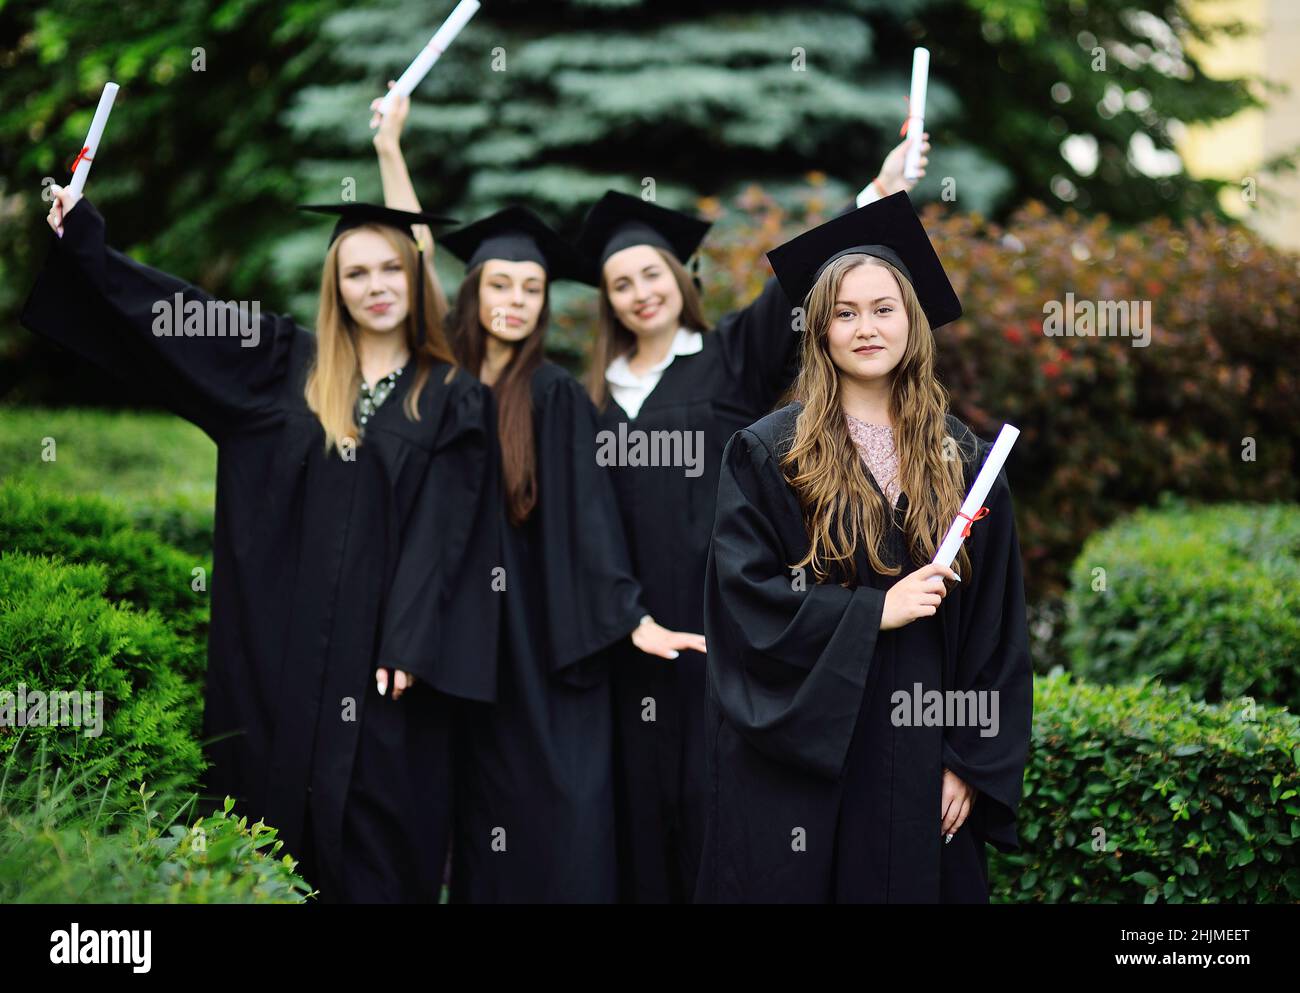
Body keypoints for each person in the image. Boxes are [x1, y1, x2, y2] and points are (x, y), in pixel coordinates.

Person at [21, 188, 502, 903]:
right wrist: (87, 244)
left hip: (386, 678)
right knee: (267, 831)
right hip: (281, 662)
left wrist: (410, 638)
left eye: (391, 270)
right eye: (357, 273)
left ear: (416, 276)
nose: (376, 288)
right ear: (335, 288)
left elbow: (451, 528)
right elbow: (179, 319)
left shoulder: (453, 397)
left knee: (378, 846)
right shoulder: (286, 364)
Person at [575, 136, 931, 903]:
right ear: (606, 301)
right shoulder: (591, 399)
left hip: (730, 633)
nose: (640, 292)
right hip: (630, 640)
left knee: (721, 813)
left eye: (651, 274)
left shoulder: (730, 358)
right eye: (620, 283)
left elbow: (801, 287)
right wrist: (622, 615)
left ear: (681, 276)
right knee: (633, 824)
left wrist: (875, 195)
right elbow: (581, 520)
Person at [370, 88, 704, 902]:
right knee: (472, 817)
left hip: (545, 635)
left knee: (561, 812)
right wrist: (390, 151)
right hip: (457, 635)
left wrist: (631, 617)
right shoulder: (441, 377)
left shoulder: (554, 395)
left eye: (531, 288)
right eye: (500, 286)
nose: (516, 301)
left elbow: (591, 519)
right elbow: (414, 257)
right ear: (475, 292)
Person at [695, 191, 1033, 903]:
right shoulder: (769, 455)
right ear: (818, 332)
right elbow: (743, 604)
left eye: (884, 309)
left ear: (912, 322)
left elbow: (997, 636)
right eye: (844, 313)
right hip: (805, 769)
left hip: (921, 761)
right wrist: (872, 611)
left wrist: (969, 762)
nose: (866, 327)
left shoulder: (966, 462)